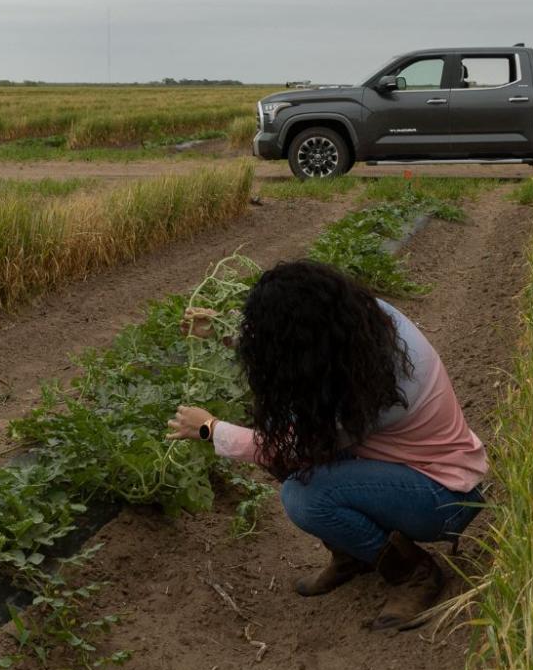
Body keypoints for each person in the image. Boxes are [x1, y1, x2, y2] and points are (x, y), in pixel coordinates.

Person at [166, 259, 487, 630]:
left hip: (443, 497)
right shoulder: (362, 324)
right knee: (276, 416)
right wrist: (223, 329)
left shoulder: (377, 390)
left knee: (304, 496)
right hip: (412, 472)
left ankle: (414, 575)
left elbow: (287, 448)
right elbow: (300, 340)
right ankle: (353, 552)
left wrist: (210, 429)